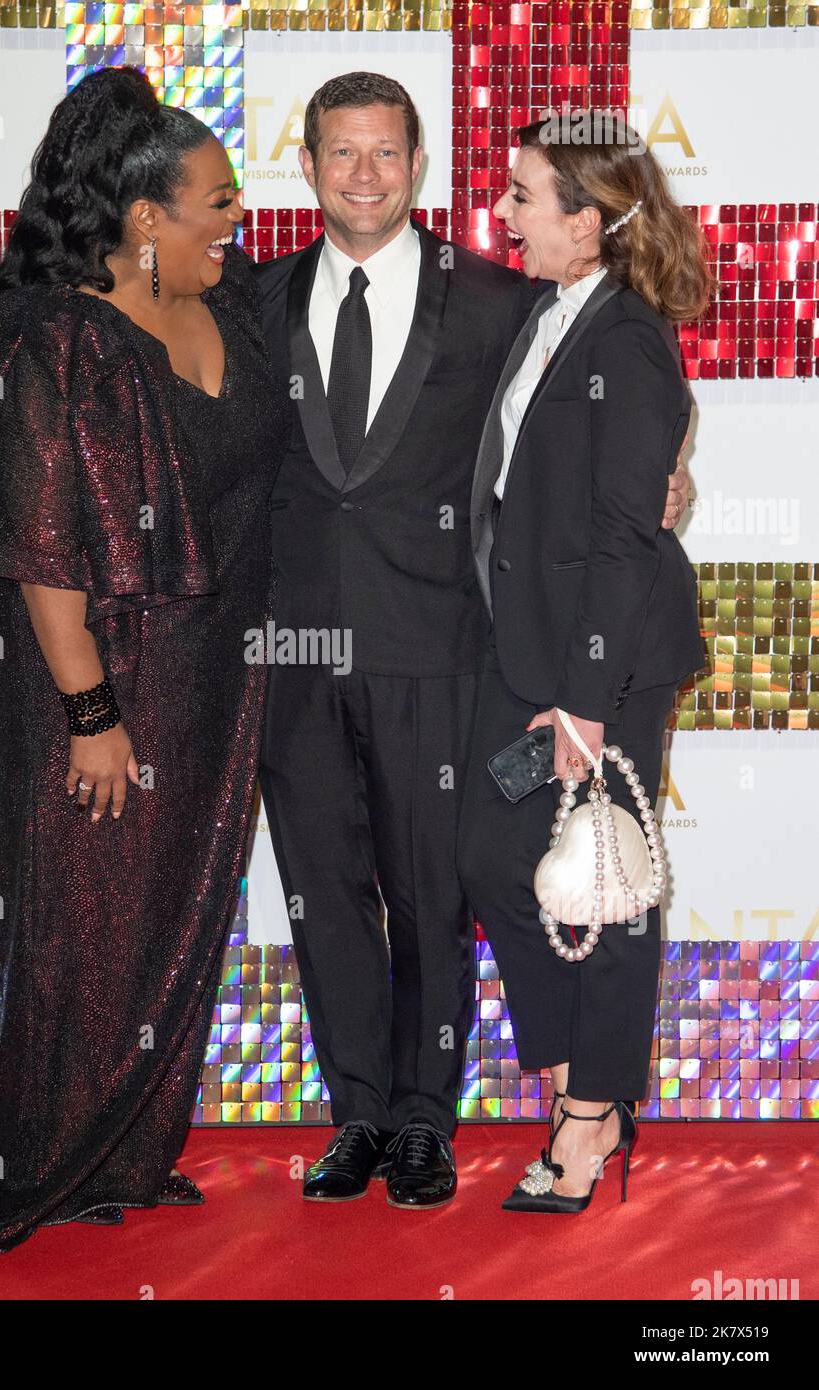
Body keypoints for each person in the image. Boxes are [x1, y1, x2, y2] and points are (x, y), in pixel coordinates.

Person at [0, 66, 287, 1254]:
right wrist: (92, 712)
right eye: (217, 202)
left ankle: (118, 1147)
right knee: (73, 923)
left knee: (171, 914)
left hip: (209, 681)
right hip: (88, 679)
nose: (236, 221)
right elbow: (39, 552)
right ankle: (19, 1157)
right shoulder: (53, 340)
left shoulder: (231, 307)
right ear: (146, 218)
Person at [254, 75, 691, 1209]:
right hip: (370, 652)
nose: (502, 213)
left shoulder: (506, 297)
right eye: (339, 153)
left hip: (511, 653)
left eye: (386, 153)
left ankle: (559, 1116)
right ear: (305, 165)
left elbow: (621, 487)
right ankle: (455, 1096)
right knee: (451, 869)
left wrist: (657, 497)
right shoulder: (265, 301)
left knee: (585, 877)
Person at [456, 112, 710, 1213]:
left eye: (521, 197)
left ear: (588, 221)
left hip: (601, 664)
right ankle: (570, 1071)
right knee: (486, 855)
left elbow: (622, 537)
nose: (503, 214)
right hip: (527, 651)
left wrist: (588, 704)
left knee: (605, 885)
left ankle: (592, 1114)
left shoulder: (628, 341)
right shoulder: (549, 312)